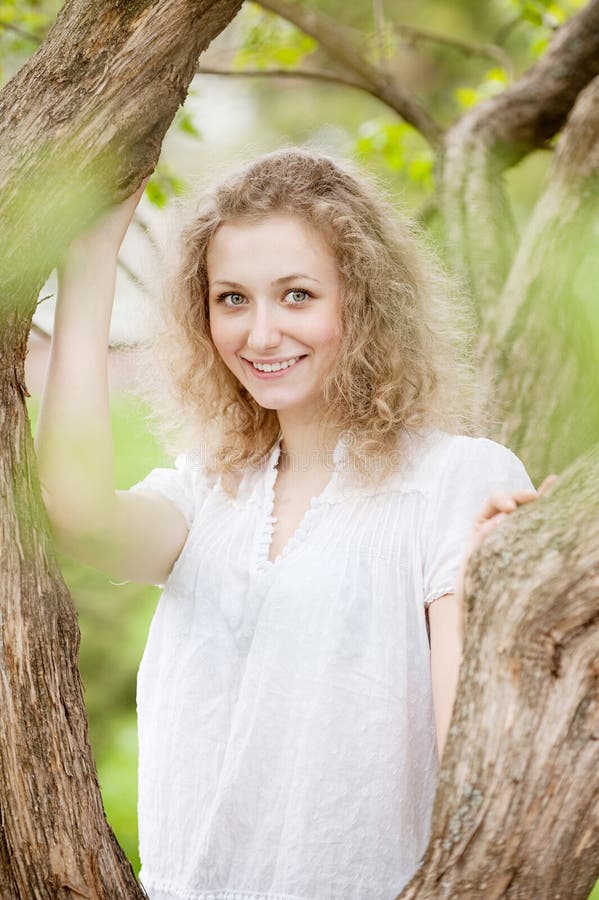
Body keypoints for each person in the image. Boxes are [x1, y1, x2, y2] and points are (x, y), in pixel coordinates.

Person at [35, 148, 556, 900]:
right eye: (232, 299)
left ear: (366, 300)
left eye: (298, 295)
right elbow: (78, 515)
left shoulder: (456, 481)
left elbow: (471, 762)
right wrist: (89, 262)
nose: (261, 333)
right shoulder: (208, 491)